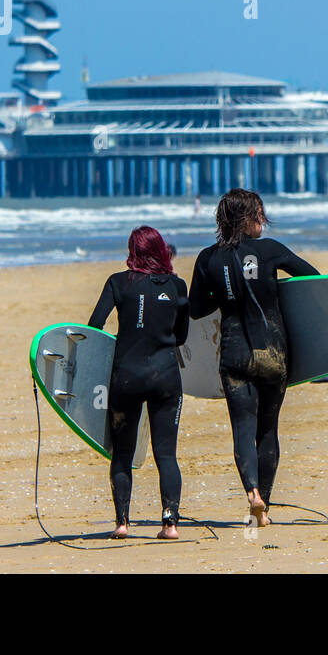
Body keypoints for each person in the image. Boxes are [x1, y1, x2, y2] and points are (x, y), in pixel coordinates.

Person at [189, 189, 318, 528]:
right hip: (273, 353)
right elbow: (314, 279)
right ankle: (266, 509)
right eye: (258, 213)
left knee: (243, 430)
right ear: (244, 218)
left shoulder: (207, 259)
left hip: (233, 356)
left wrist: (224, 289)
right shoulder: (271, 250)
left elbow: (197, 309)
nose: (263, 219)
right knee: (268, 429)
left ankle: (252, 494)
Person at [87, 226, 189, 540]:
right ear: (161, 250)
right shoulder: (177, 286)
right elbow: (181, 336)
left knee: (122, 454)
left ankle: (122, 524)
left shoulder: (117, 282)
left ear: (133, 251)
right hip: (166, 378)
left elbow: (94, 327)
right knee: (166, 455)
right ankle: (169, 524)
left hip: (126, 378)